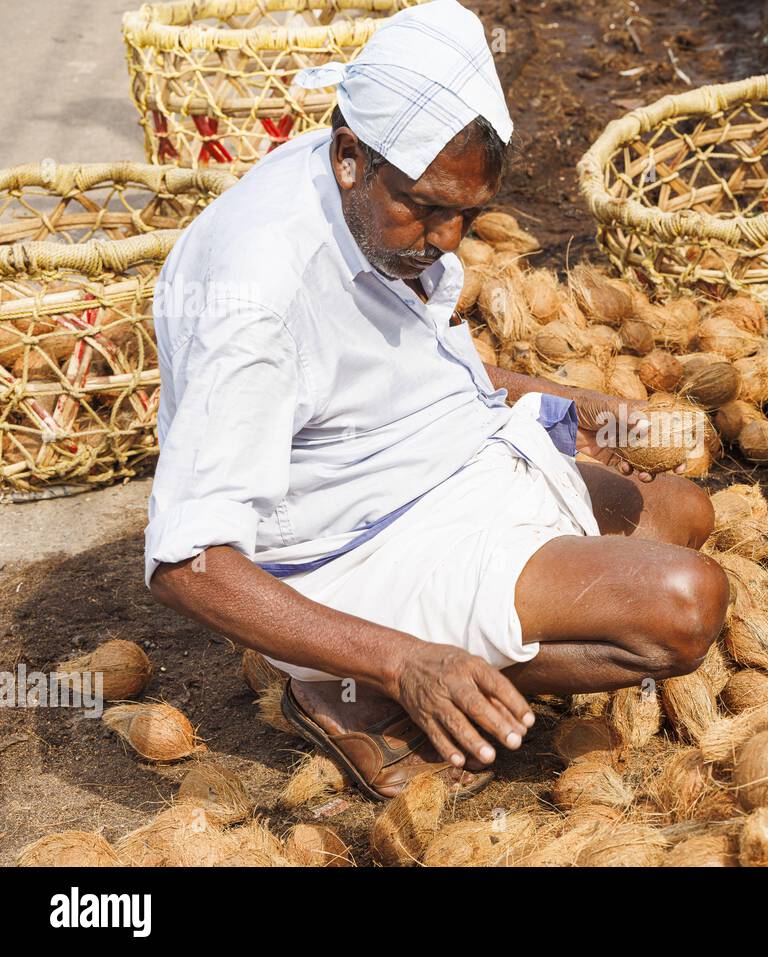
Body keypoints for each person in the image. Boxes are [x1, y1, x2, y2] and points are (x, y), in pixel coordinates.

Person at [144, 0, 728, 800]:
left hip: (443, 468)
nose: (449, 239)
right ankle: (348, 681)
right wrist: (401, 660)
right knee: (688, 605)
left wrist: (571, 406)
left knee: (683, 513)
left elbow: (414, 378)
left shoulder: (379, 201)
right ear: (350, 156)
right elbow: (187, 562)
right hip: (352, 546)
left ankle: (405, 659)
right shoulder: (261, 297)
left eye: (467, 213)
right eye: (428, 207)